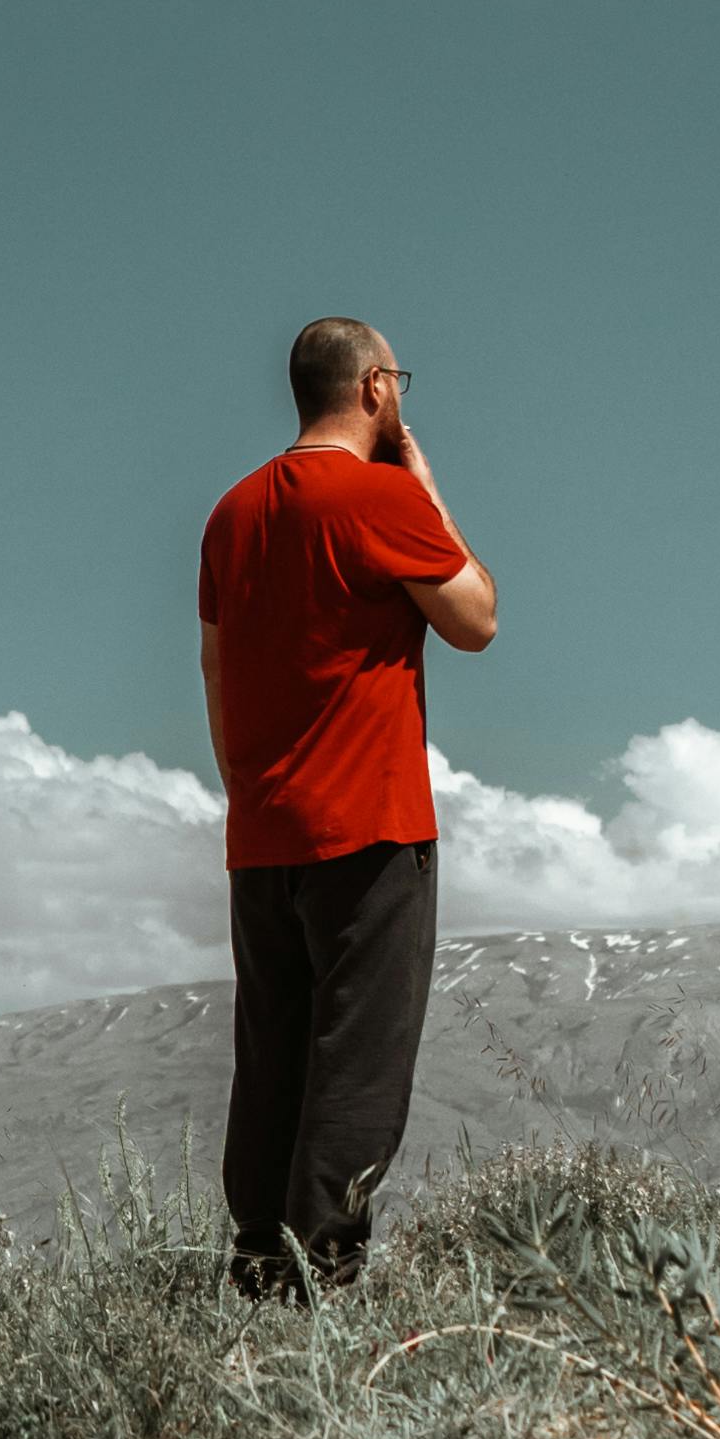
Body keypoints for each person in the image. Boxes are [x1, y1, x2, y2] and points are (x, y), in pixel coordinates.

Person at [198, 318, 498, 1296]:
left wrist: (245, 787)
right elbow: (475, 619)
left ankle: (252, 1272)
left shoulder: (230, 512)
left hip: (262, 832)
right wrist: (419, 479)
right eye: (397, 380)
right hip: (371, 829)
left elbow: (213, 664)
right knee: (356, 1073)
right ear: (375, 387)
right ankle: (316, 1285)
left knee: (271, 1063)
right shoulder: (378, 498)